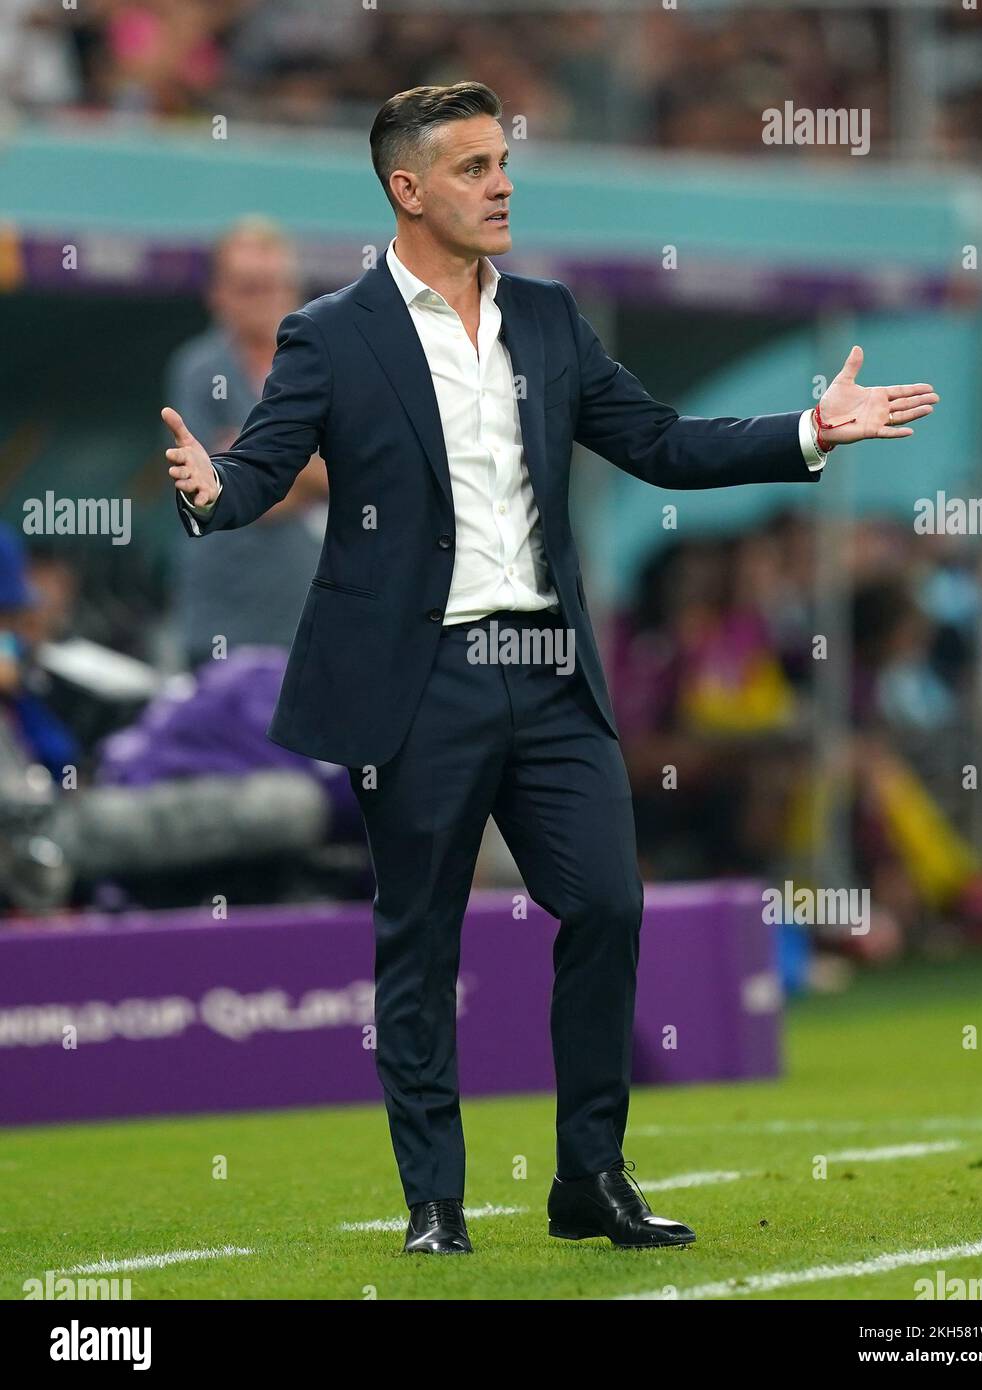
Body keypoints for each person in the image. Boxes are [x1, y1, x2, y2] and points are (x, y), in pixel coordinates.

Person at [162, 81, 938, 1254]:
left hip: (548, 669)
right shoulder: (331, 332)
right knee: (419, 935)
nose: (501, 183)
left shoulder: (548, 318)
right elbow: (264, 468)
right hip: (415, 683)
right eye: (473, 166)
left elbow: (660, 443)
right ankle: (434, 1201)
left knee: (608, 903)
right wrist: (216, 490)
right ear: (407, 188)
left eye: (502, 161)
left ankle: (589, 1178)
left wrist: (806, 429)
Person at [163, 215, 328, 670]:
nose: (266, 300)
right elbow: (213, 494)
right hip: (224, 622)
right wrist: (314, 468)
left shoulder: (326, 364)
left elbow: (366, 477)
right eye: (248, 287)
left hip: (317, 620)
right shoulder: (199, 370)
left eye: (275, 284)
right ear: (218, 294)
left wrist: (260, 466)